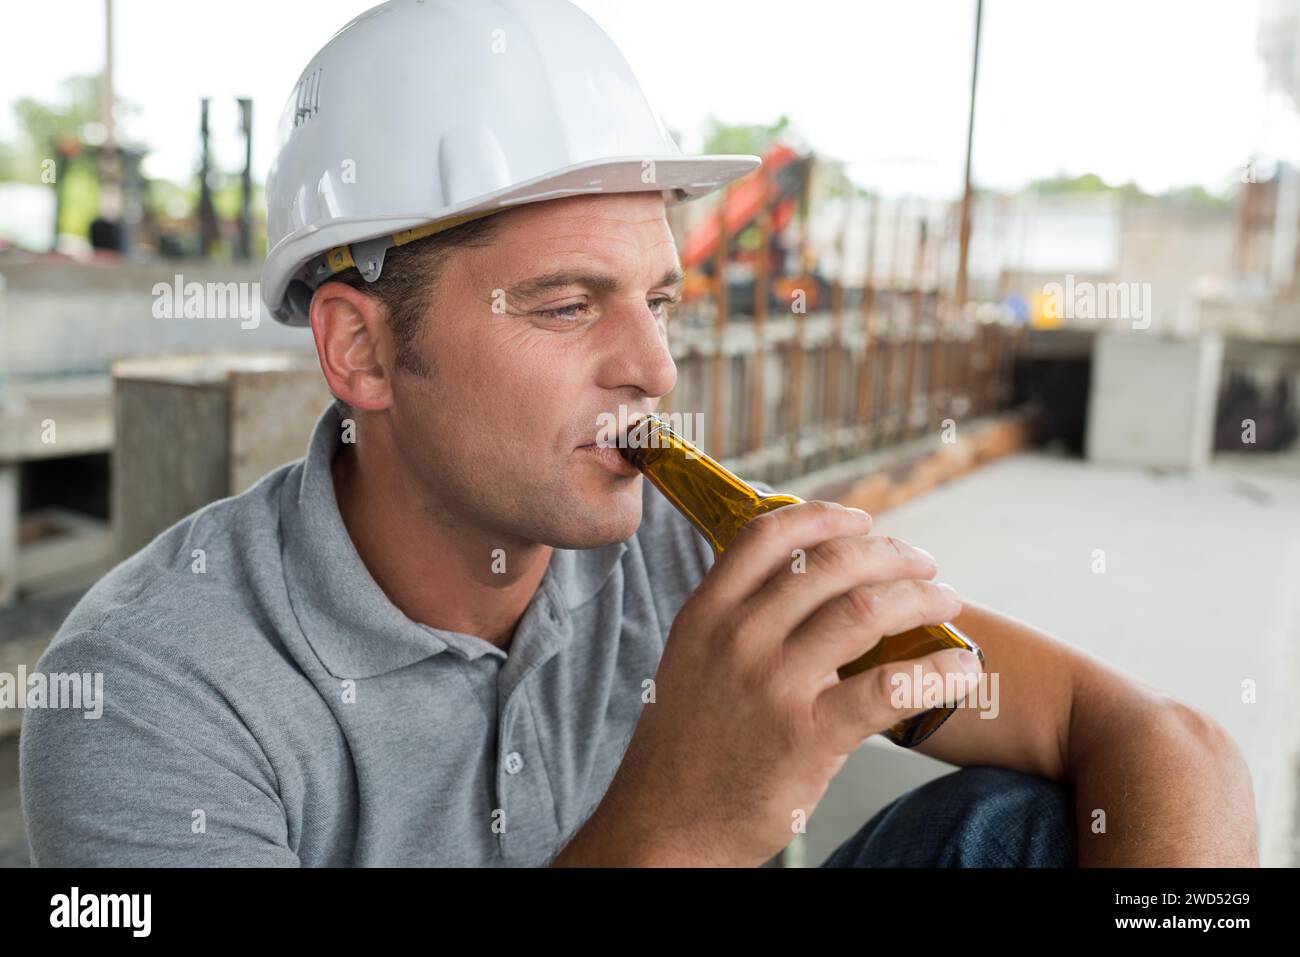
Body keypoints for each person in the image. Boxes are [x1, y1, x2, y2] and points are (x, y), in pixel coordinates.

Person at [21, 0, 1255, 868]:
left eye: (658, 300)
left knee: (1025, 833)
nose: (654, 367)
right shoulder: (147, 692)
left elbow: (1164, 740)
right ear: (362, 350)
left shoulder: (697, 553)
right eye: (566, 305)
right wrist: (689, 822)